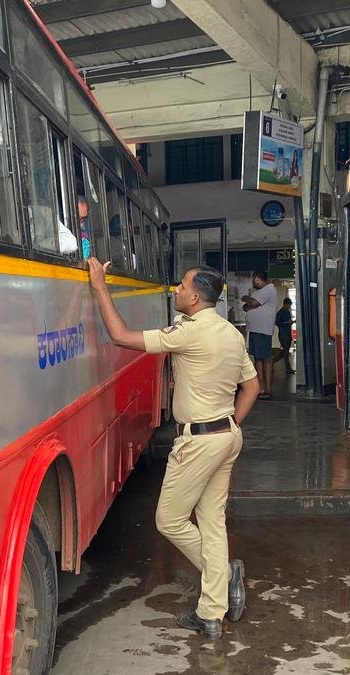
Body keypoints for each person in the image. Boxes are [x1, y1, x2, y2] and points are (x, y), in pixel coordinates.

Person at [87, 257, 260, 640]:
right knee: (211, 522)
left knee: (169, 519)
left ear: (196, 298)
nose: (176, 291)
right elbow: (252, 388)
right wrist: (229, 424)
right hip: (226, 436)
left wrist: (100, 286)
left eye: (182, 286)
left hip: (199, 442)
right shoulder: (231, 333)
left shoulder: (190, 331)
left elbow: (121, 337)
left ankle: (223, 574)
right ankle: (211, 614)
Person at [241, 270, 277, 399]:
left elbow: (252, 303)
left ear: (257, 278)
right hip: (255, 329)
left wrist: (245, 298)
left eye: (253, 280)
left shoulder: (269, 289)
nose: (252, 282)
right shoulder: (258, 292)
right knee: (258, 358)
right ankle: (260, 388)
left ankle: (268, 390)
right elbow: (245, 307)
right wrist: (250, 303)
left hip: (263, 330)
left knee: (266, 358)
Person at [272, 298, 295, 374]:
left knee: (285, 352)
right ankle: (288, 368)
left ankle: (273, 361)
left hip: (288, 333)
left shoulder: (287, 312)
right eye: (288, 305)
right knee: (285, 352)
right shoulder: (280, 313)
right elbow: (277, 323)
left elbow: (288, 322)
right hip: (283, 334)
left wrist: (291, 322)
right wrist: (286, 322)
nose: (289, 307)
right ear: (284, 304)